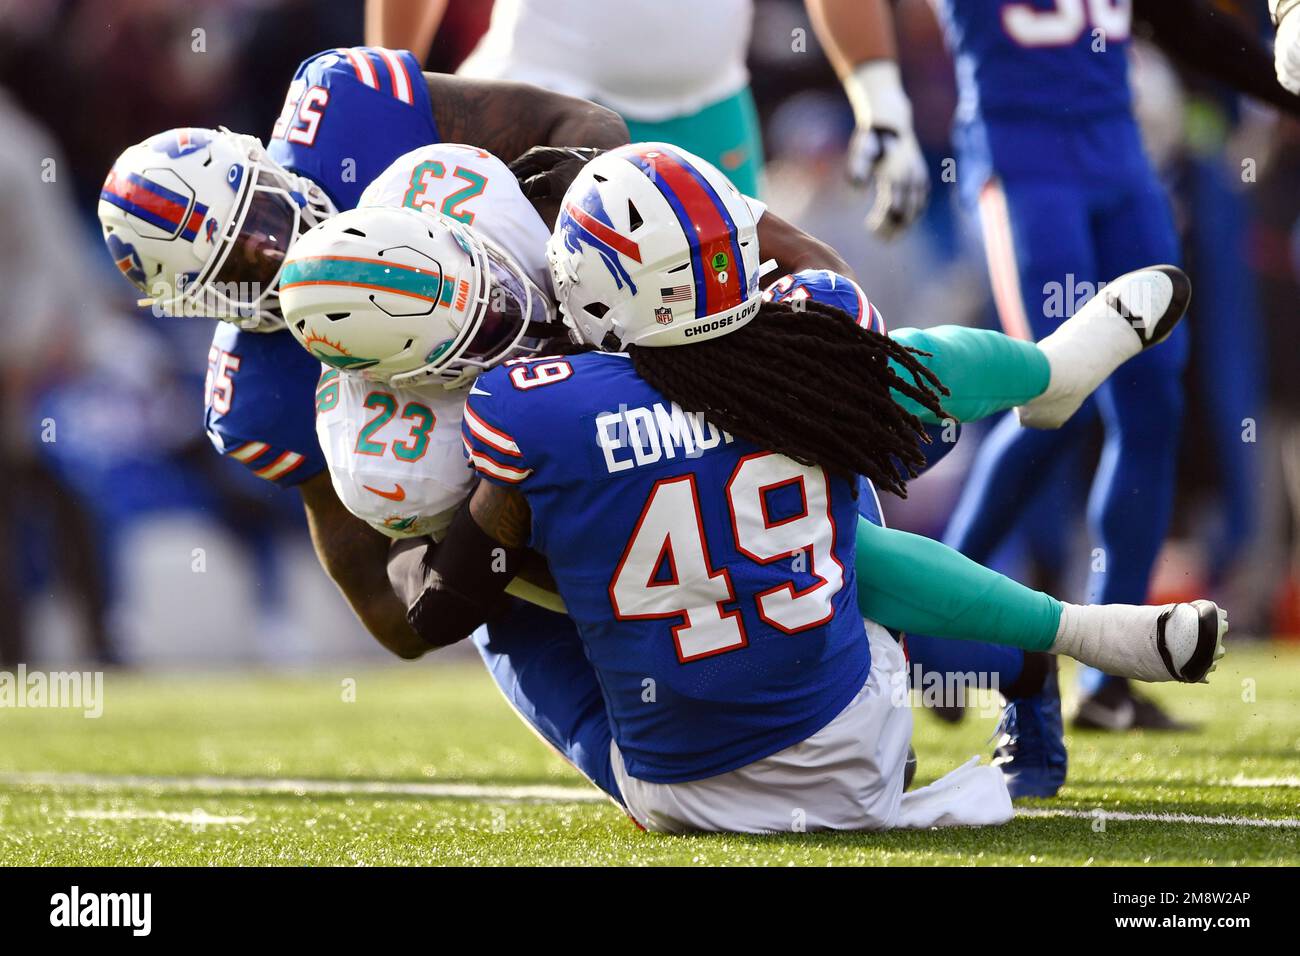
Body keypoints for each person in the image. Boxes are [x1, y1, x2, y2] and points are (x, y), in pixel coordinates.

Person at [374, 143, 1226, 833]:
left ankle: (1067, 623)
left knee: (509, 601)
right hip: (861, 748)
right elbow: (817, 283)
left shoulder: (538, 409)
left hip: (683, 796)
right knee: (856, 443)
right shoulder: (807, 343)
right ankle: (1050, 396)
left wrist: (411, 535)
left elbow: (442, 608)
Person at [808, 1, 1300, 767]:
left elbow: (1180, 24)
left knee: (1154, 405)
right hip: (1022, 158)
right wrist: (882, 105)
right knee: (1052, 398)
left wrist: (1281, 84)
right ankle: (930, 624)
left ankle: (1108, 677)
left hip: (1120, 158)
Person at [96, 45, 631, 659]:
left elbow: (585, 124)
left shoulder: (348, 105)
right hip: (557, 523)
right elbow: (393, 616)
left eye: (261, 216)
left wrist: (565, 276)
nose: (273, 251)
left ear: (263, 165)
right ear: (203, 306)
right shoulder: (258, 396)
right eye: (237, 272)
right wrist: (486, 513)